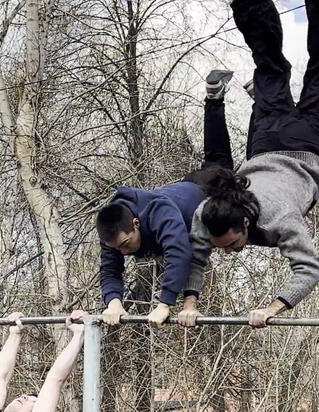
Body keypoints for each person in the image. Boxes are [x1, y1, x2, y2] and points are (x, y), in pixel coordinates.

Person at [177, 0, 319, 329]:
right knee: (269, 67)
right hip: (265, 139)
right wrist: (190, 303)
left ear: (245, 221)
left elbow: (310, 268)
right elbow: (196, 254)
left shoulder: (278, 217)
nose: (226, 251)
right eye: (222, 246)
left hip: (307, 142)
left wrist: (272, 308)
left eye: (230, 243)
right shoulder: (208, 213)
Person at [97, 70, 236, 326]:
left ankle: (248, 100)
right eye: (119, 249)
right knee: (215, 157)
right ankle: (218, 98)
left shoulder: (157, 211)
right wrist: (113, 301)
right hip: (188, 187)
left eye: (126, 245)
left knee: (224, 160)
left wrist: (165, 303)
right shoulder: (114, 231)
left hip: (211, 191)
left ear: (136, 223)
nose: (125, 253)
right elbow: (110, 268)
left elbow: (179, 251)